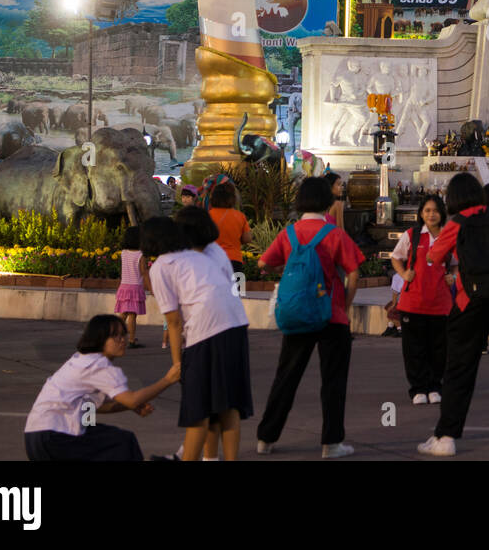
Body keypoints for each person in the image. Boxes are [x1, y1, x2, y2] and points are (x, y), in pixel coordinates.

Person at [418, 173, 489, 457]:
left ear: (452, 198)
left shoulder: (455, 223)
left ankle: (446, 437)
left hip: (471, 301)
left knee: (459, 369)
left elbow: (434, 256)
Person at [255, 177, 362, 458]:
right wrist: (345, 305)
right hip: (332, 315)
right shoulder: (334, 234)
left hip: (297, 313)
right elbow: (353, 273)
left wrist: (292, 276)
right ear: (327, 201)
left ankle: (265, 439)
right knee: (333, 382)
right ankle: (331, 443)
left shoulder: (289, 233)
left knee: (286, 377)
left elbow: (263, 264)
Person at [143, 216, 253, 462]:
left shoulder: (162, 265)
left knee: (199, 410)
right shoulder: (207, 254)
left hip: (205, 330)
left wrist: (177, 364)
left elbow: (173, 321)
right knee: (227, 404)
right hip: (236, 322)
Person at [24, 315, 181, 461]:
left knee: (105, 435)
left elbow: (91, 406)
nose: (122, 340)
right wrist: (168, 380)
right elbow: (132, 400)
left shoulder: (80, 359)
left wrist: (127, 406)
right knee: (123, 442)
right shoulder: (99, 365)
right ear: (99, 339)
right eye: (115, 336)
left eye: (123, 335)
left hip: (36, 437)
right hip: (57, 436)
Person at [391, 194, 453, 405]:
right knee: (413, 348)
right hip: (413, 301)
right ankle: (417, 388)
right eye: (427, 210)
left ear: (442, 213)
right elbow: (396, 257)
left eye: (435, 210)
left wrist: (452, 276)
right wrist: (403, 274)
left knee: (439, 348)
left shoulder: (448, 236)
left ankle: (435, 385)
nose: (431, 214)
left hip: (440, 301)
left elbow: (456, 262)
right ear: (420, 214)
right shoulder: (412, 235)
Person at [113, 226, 148, 348]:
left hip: (124, 286)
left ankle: (113, 334)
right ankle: (132, 340)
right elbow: (143, 271)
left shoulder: (123, 253)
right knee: (132, 315)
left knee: (123, 313)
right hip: (135, 287)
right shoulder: (141, 255)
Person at [208, 182, 252, 275]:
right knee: (236, 289)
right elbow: (247, 238)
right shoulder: (240, 216)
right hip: (235, 260)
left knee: (214, 289)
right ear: (232, 199)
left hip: (212, 259)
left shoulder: (207, 216)